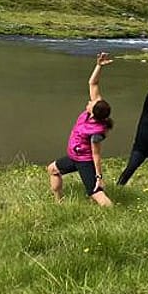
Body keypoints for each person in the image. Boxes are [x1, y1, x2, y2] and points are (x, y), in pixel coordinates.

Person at [47, 53, 115, 206]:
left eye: (91, 104)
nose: (89, 102)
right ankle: (59, 202)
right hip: (73, 157)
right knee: (52, 169)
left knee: (95, 193)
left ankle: (115, 211)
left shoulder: (96, 132)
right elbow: (93, 83)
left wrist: (99, 177)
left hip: (85, 161)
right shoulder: (94, 113)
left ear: (94, 112)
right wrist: (99, 66)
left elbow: (96, 154)